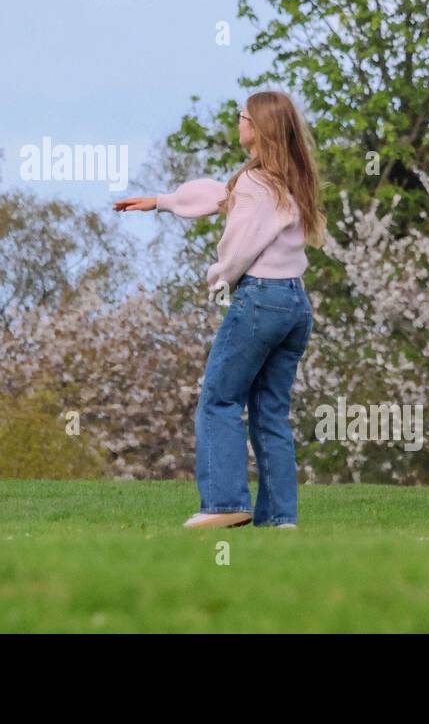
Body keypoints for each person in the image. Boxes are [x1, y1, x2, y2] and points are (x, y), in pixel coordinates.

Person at [114, 91, 326, 529]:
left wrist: (220, 277)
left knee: (218, 398)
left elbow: (241, 241)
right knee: (269, 411)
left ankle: (225, 503)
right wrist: (162, 200)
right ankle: (280, 518)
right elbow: (218, 195)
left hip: (260, 298)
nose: (238, 122)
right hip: (294, 303)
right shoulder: (287, 179)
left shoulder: (255, 184)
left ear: (259, 128)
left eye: (242, 116)